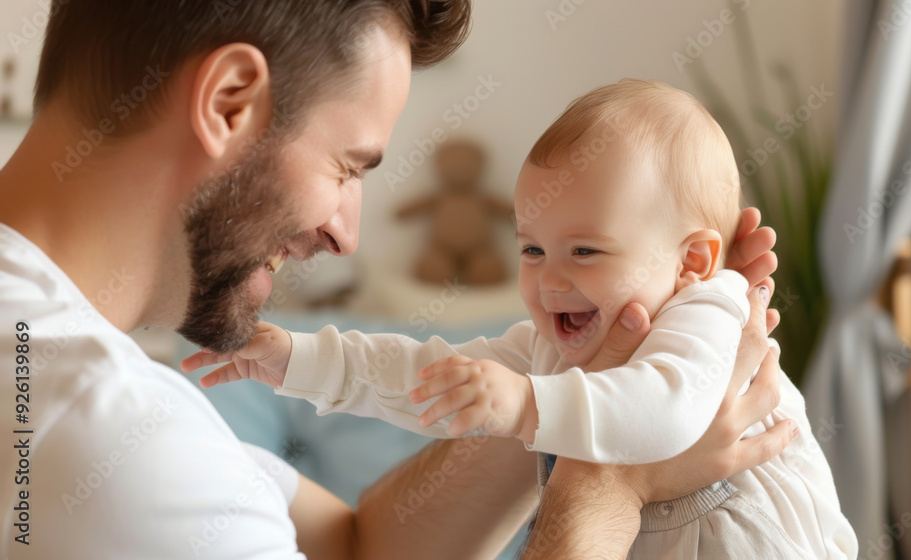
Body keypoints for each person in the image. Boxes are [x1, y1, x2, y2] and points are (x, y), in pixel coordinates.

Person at [0, 2, 794, 559]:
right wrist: (609, 482)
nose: (346, 233)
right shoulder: (96, 435)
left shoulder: (59, 377)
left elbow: (358, 549)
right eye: (348, 168)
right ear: (230, 101)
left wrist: (601, 353)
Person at [186, 80, 857, 558]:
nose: (549, 279)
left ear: (693, 262)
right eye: (532, 249)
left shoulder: (711, 307)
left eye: (585, 251)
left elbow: (668, 411)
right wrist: (299, 359)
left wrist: (526, 403)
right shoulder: (554, 353)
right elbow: (426, 376)